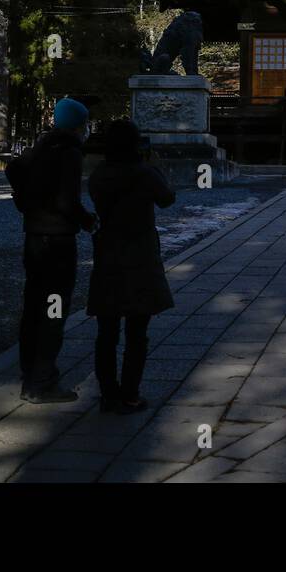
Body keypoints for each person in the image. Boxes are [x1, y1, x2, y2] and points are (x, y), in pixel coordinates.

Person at [87, 119, 176, 414]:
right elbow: (167, 198)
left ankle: (108, 394)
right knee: (137, 332)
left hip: (108, 253)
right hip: (140, 254)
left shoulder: (99, 173)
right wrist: (154, 165)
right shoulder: (144, 173)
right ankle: (130, 393)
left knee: (107, 332)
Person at [19, 98, 97, 403]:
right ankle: (43, 381)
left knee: (33, 306)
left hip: (34, 236)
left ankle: (28, 374)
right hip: (58, 240)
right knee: (54, 307)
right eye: (85, 124)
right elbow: (68, 201)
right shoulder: (70, 152)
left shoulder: (40, 148)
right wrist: (88, 221)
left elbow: (15, 172)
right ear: (78, 125)